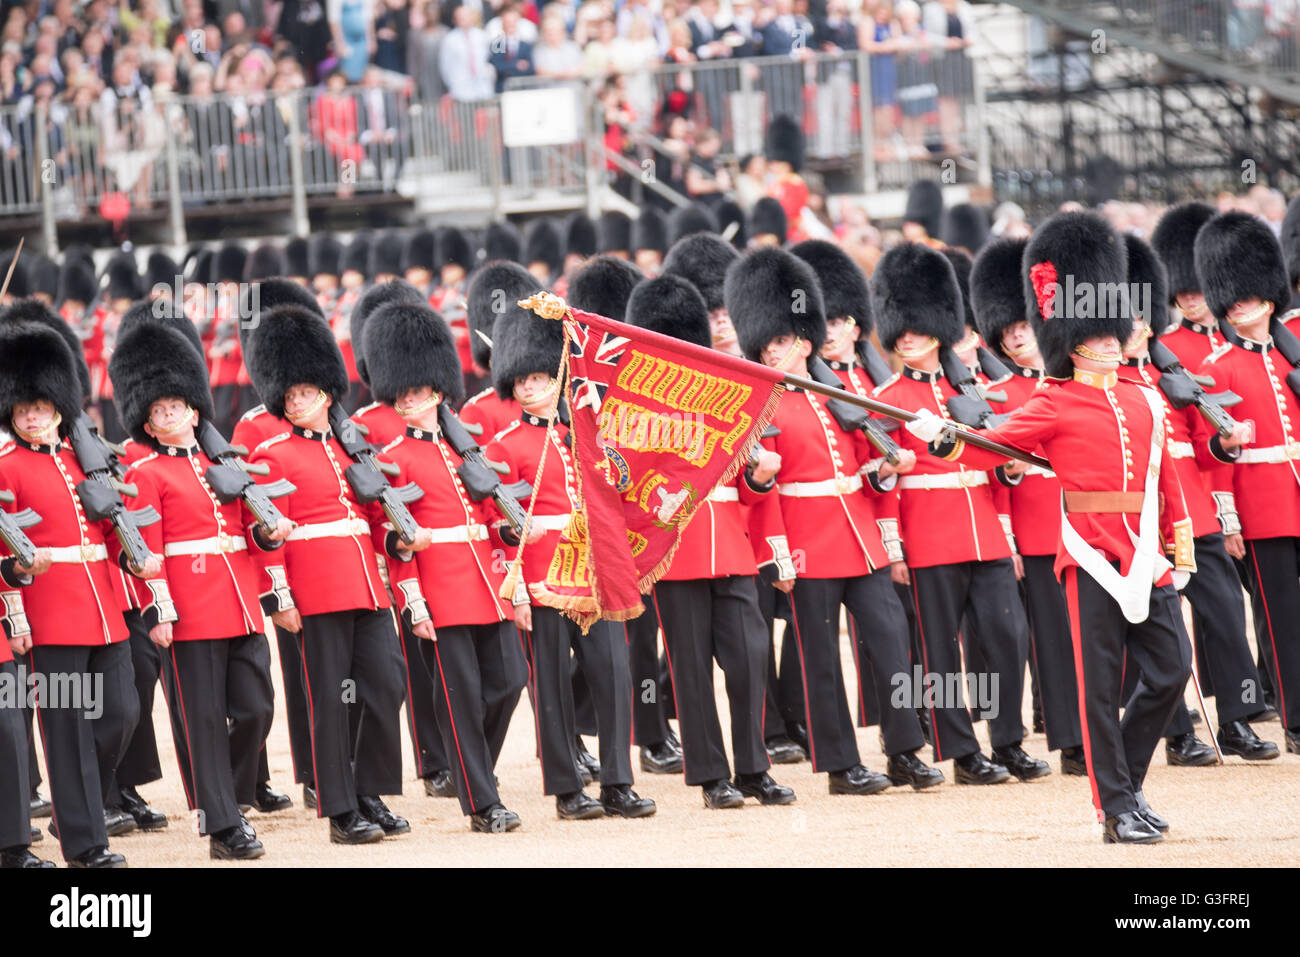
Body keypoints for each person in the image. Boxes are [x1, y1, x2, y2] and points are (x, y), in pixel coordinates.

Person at [907, 211, 1197, 843]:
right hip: (1089, 554)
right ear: (1073, 339)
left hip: (1146, 553)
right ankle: (1115, 809)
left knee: (1172, 670)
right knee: (1097, 689)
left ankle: (1128, 780)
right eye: (1096, 335)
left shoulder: (1144, 396)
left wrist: (1178, 548)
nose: (1112, 342)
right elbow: (992, 446)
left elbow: (1162, 480)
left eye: (1112, 332)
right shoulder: (1053, 400)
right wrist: (944, 437)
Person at [729, 246, 939, 794]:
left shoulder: (842, 394)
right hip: (805, 545)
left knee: (891, 642)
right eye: (767, 343)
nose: (773, 351)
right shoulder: (759, 404)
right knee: (819, 659)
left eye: (782, 341)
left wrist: (887, 471)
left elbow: (862, 477)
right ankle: (841, 764)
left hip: (860, 540)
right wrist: (776, 552)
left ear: (802, 341)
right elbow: (758, 492)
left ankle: (904, 750)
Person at [108, 319, 292, 860]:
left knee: (256, 707)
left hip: (238, 604)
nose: (167, 416)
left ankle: (224, 800)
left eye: (175, 407)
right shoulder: (145, 471)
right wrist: (159, 610)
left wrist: (266, 531)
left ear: (193, 408)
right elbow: (147, 552)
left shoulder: (223, 460)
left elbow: (244, 535)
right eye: (157, 411)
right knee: (204, 719)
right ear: (147, 419)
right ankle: (222, 826)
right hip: (188, 609)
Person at [870, 241, 1047, 785]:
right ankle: (962, 750)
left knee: (1006, 637)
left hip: (986, 534)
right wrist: (895, 547)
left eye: (919, 327)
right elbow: (888, 483)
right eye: (903, 330)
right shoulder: (888, 396)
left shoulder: (970, 389)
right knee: (942, 651)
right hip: (929, 535)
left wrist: (1008, 478)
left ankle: (1008, 739)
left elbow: (997, 466)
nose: (910, 337)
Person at [484, 278, 656, 820]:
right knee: (553, 684)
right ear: (512, 386)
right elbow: (498, 523)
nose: (534, 387)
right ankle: (566, 788)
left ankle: (617, 782)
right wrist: (517, 571)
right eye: (524, 380)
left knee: (612, 673)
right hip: (542, 576)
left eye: (541, 376)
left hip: (596, 568)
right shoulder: (503, 446)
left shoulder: (583, 431)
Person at [246, 303, 414, 845]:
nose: (296, 403)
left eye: (305, 393)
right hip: (315, 590)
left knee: (386, 685)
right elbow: (269, 532)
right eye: (289, 397)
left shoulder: (353, 446)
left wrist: (394, 542)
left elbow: (367, 516)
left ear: (326, 392)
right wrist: (281, 596)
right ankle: (341, 809)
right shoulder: (273, 456)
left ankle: (371, 789)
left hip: (365, 582)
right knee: (332, 698)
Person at [631, 273, 796, 807]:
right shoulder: (635, 408)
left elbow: (744, 491)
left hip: (730, 549)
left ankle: (753, 767)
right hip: (675, 557)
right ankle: (710, 775)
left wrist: (761, 477)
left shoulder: (725, 395)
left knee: (750, 660)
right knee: (692, 674)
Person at [364, 298, 529, 832]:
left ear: (438, 392)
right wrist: (413, 602)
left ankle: (468, 768)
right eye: (402, 396)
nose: (409, 403)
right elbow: (398, 540)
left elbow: (490, 517)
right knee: (460, 699)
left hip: (488, 583)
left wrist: (510, 545)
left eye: (419, 394)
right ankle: (483, 802)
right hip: (441, 588)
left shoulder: (468, 451)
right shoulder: (395, 459)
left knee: (508, 682)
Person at [1116, 234, 1277, 762]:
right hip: (1142, 518)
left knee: (1226, 615)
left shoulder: (1171, 376)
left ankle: (1235, 720)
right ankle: (1177, 732)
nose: (1138, 330)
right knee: (1153, 628)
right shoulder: (1107, 384)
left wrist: (1222, 443)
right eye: (1129, 323)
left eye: (1143, 321)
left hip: (1194, 511)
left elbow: (1199, 449)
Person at [0, 320, 148, 868]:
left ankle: (75, 810)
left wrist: (134, 554)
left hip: (104, 609)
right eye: (23, 410)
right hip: (51, 612)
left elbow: (108, 527)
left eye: (41, 406)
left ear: (60, 407)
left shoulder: (80, 461)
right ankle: (87, 847)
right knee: (64, 736)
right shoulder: (7, 469)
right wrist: (16, 588)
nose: (33, 416)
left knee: (121, 713)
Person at [968, 236, 1086, 774]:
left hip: (1085, 528)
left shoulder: (1075, 383)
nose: (1017, 338)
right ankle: (1064, 741)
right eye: (1009, 332)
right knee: (1048, 645)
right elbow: (990, 478)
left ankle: (1091, 732)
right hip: (1034, 534)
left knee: (1090, 639)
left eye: (1023, 327)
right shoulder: (996, 396)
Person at [1192, 211, 1300, 756]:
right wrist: (1227, 518)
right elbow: (1212, 456)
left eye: (1247, 295)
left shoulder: (1295, 349)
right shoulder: (1220, 367)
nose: (1239, 305)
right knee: (1279, 615)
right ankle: (1296, 718)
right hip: (1262, 504)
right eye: (1230, 298)